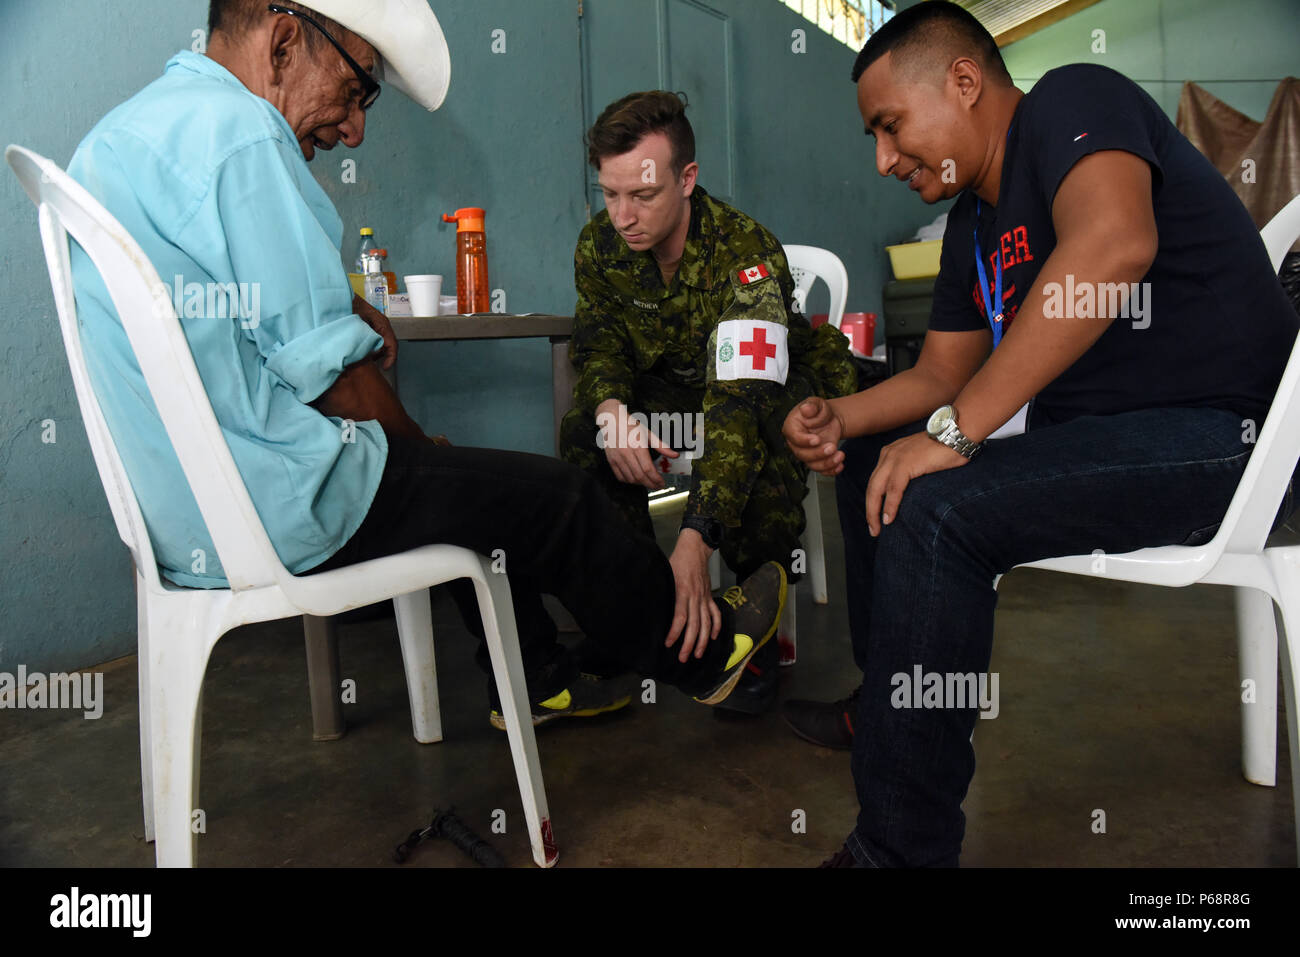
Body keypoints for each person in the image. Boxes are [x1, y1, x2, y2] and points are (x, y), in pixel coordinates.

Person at [65, 0, 788, 731]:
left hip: (182, 515)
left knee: (469, 490)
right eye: (357, 89)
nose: (355, 129)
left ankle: (537, 677)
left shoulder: (115, 139)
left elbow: (221, 314)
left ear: (686, 180)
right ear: (284, 42)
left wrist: (342, 313)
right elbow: (338, 381)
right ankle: (709, 654)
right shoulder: (243, 134)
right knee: (553, 498)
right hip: (280, 505)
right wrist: (417, 447)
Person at [781, 1, 1299, 865]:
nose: (882, 159)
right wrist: (843, 416)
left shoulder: (1072, 98)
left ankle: (897, 851)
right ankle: (891, 707)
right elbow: (940, 377)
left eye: (889, 126)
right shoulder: (973, 227)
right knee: (876, 459)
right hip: (1120, 442)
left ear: (964, 80)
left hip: (1233, 442)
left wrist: (957, 433)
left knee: (933, 503)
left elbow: (1114, 246)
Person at [560, 91, 857, 714]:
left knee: (772, 438)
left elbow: (739, 401)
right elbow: (600, 341)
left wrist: (695, 540)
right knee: (584, 434)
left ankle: (750, 637)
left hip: (768, 389)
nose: (622, 216)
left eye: (642, 195)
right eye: (609, 194)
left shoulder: (745, 254)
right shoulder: (600, 246)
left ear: (687, 179)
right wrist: (613, 412)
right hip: (678, 384)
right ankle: (642, 617)